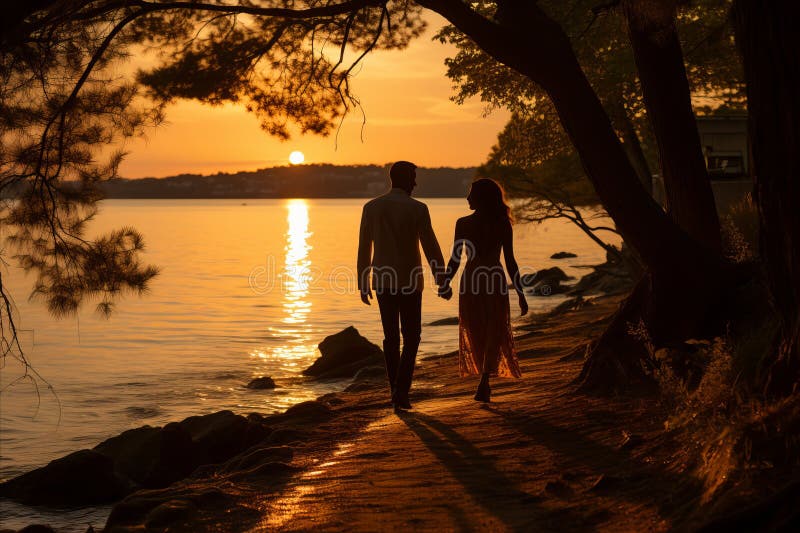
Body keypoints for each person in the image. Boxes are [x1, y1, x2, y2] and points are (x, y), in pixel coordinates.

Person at [357, 161, 447, 412]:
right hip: (410, 281)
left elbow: (364, 247)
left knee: (391, 337)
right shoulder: (418, 208)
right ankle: (401, 391)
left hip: (383, 281)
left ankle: (395, 390)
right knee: (412, 337)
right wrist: (441, 278)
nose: (415, 183)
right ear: (405, 179)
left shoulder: (372, 207)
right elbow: (430, 246)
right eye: (413, 178)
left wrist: (363, 281)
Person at [439, 178, 527, 402]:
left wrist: (446, 281)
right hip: (494, 278)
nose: (467, 198)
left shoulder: (463, 223)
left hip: (472, 278)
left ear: (481, 198)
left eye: (471, 194)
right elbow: (510, 261)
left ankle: (484, 380)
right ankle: (484, 379)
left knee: (475, 328)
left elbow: (455, 259)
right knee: (494, 327)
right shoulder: (502, 223)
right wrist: (520, 292)